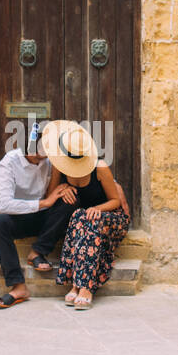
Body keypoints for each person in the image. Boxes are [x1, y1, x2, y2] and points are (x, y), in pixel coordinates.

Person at [40, 120, 130, 311]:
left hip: (110, 219)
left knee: (88, 220)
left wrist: (99, 209)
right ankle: (81, 285)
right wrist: (61, 190)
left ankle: (81, 287)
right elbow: (50, 196)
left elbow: (115, 201)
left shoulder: (99, 167)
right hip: (82, 224)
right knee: (81, 217)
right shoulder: (60, 164)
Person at [0, 123, 77, 309]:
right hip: (19, 217)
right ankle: (18, 286)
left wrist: (63, 186)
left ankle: (37, 252)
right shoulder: (8, 163)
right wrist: (44, 203)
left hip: (45, 219)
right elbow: (4, 205)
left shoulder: (51, 160)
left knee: (70, 200)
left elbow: (61, 188)